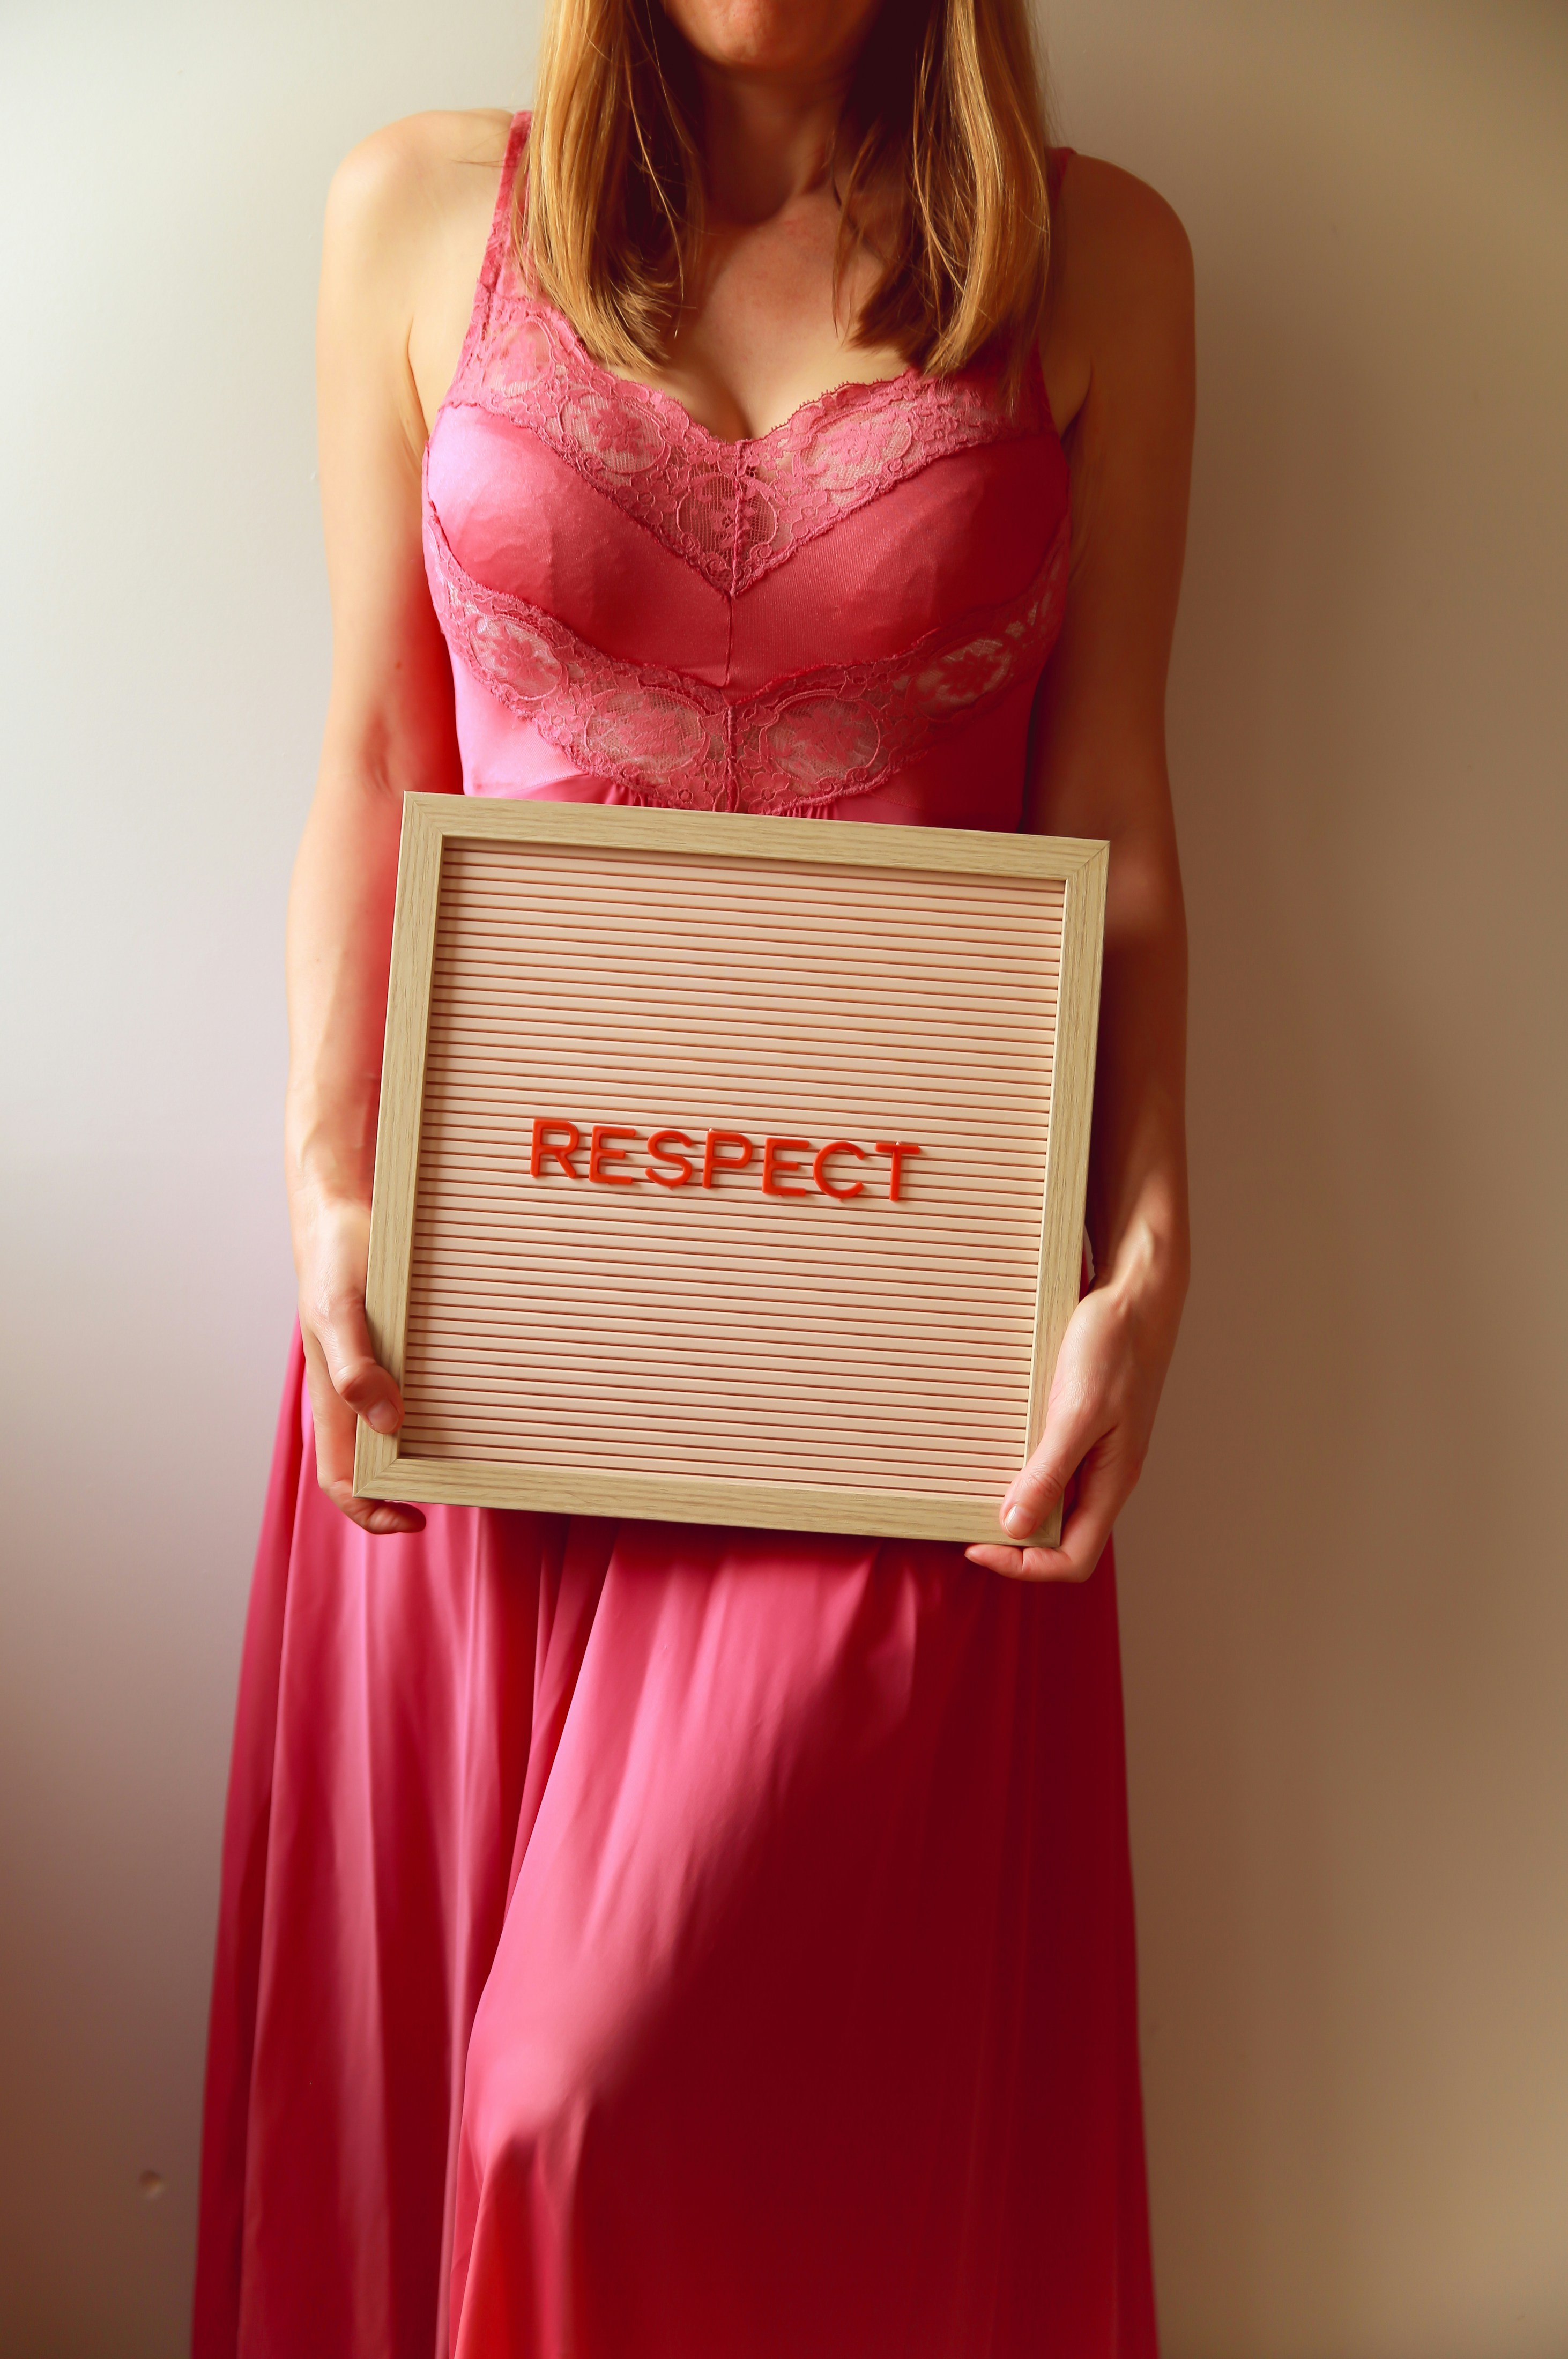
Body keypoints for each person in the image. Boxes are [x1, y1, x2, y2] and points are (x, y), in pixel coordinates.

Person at [194, 0, 1192, 2349]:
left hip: (897, 1360)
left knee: (579, 2095)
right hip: (476, 1312)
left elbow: (1117, 801)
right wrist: (325, 1190)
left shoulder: (1101, 264)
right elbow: (367, 742)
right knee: (459, 2107)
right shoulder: (418, 214)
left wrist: (1151, 1242)